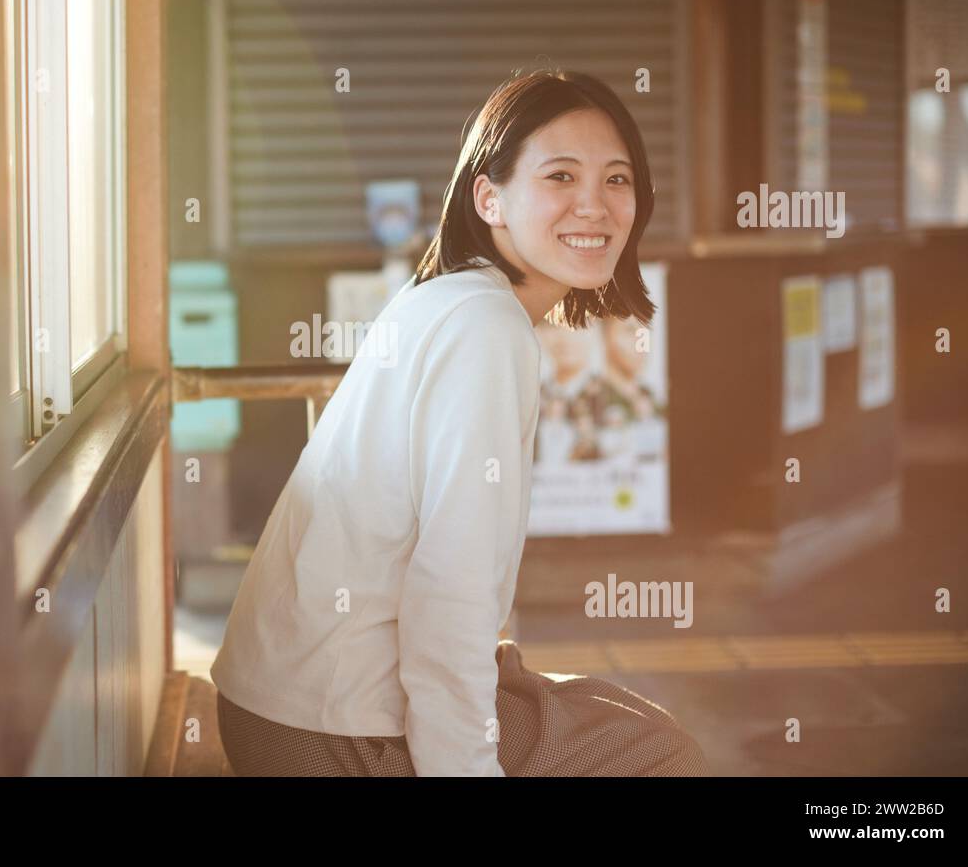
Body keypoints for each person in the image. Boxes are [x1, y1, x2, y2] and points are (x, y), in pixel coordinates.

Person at [210, 69, 709, 777]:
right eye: (561, 176)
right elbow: (451, 595)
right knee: (663, 757)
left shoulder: (451, 299)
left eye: (618, 179)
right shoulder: (486, 325)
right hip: (330, 730)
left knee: (620, 719)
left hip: (284, 704)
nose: (594, 206)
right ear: (489, 196)